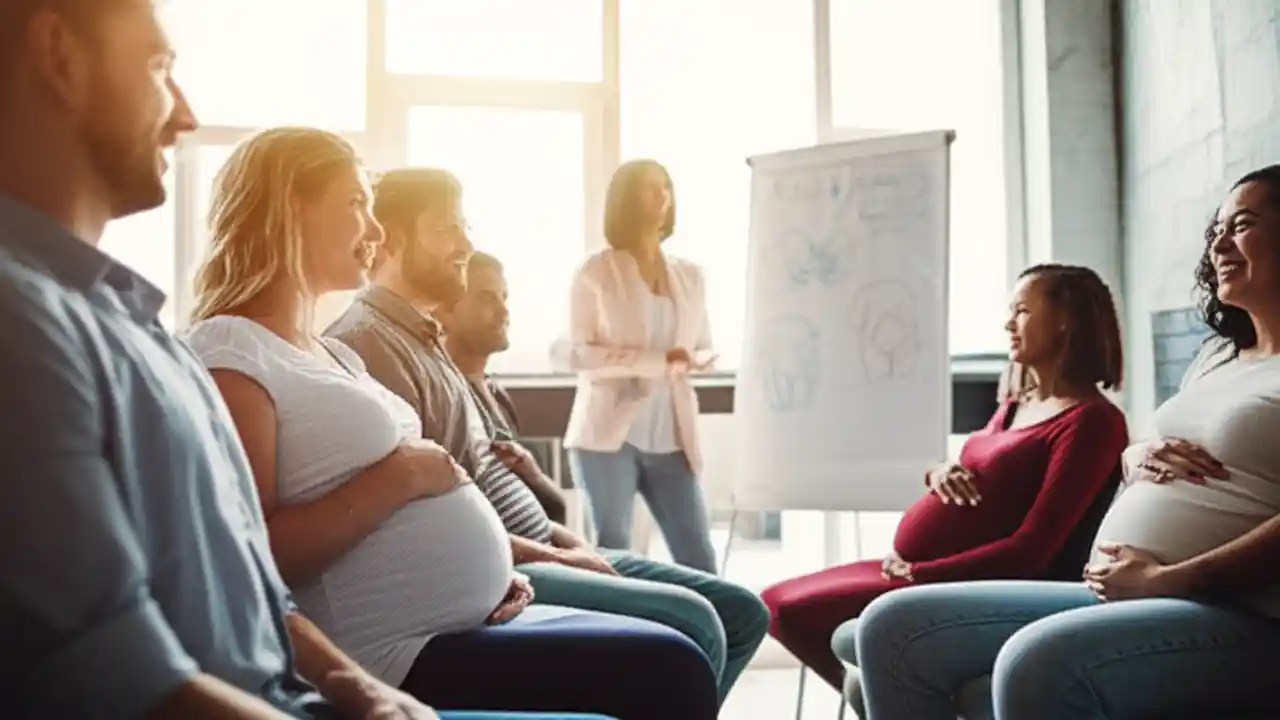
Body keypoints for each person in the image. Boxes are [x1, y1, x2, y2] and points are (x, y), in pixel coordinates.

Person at [0, 3, 607, 720]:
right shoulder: (29, 328)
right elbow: (115, 674)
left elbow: (253, 581)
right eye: (161, 69)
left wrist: (364, 689)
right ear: (58, 56)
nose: (185, 117)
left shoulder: (138, 327)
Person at [185, 128, 717, 720]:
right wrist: (400, 479)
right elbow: (253, 556)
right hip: (385, 657)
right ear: (291, 211)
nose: (376, 230)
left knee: (679, 656)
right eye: (356, 204)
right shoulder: (232, 352)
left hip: (460, 620)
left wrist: (490, 573)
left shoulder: (329, 353)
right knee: (673, 669)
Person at [855, 166, 1280, 720]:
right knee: (891, 627)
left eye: (1241, 225)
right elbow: (1163, 450)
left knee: (1038, 661)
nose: (1219, 243)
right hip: (1130, 589)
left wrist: (1169, 579)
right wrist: (1136, 456)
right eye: (1216, 230)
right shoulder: (1218, 358)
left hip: (1236, 607)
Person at [328, 173, 768, 704]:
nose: (466, 244)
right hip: (512, 564)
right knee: (696, 622)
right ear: (390, 237)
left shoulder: (426, 340)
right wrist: (558, 558)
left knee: (743, 612)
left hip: (547, 545)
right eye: (449, 228)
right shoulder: (366, 346)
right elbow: (422, 519)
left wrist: (569, 543)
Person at [761, 264, 1129, 692]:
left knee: (789, 610)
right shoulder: (1017, 403)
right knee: (773, 603)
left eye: (1023, 311)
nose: (1008, 323)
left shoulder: (1092, 422)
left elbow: (1033, 550)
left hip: (966, 583)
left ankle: (889, 697)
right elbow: (983, 467)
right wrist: (941, 471)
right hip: (917, 569)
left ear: (1066, 321)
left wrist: (920, 575)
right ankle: (880, 698)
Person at [555, 159, 720, 574]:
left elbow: (701, 344)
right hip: (607, 435)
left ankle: (716, 636)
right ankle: (619, 638)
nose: (661, 195)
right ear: (626, 199)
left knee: (698, 555)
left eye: (666, 185)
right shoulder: (596, 271)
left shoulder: (691, 275)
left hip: (672, 434)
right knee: (614, 553)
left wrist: (694, 361)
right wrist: (657, 362)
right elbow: (578, 353)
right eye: (650, 187)